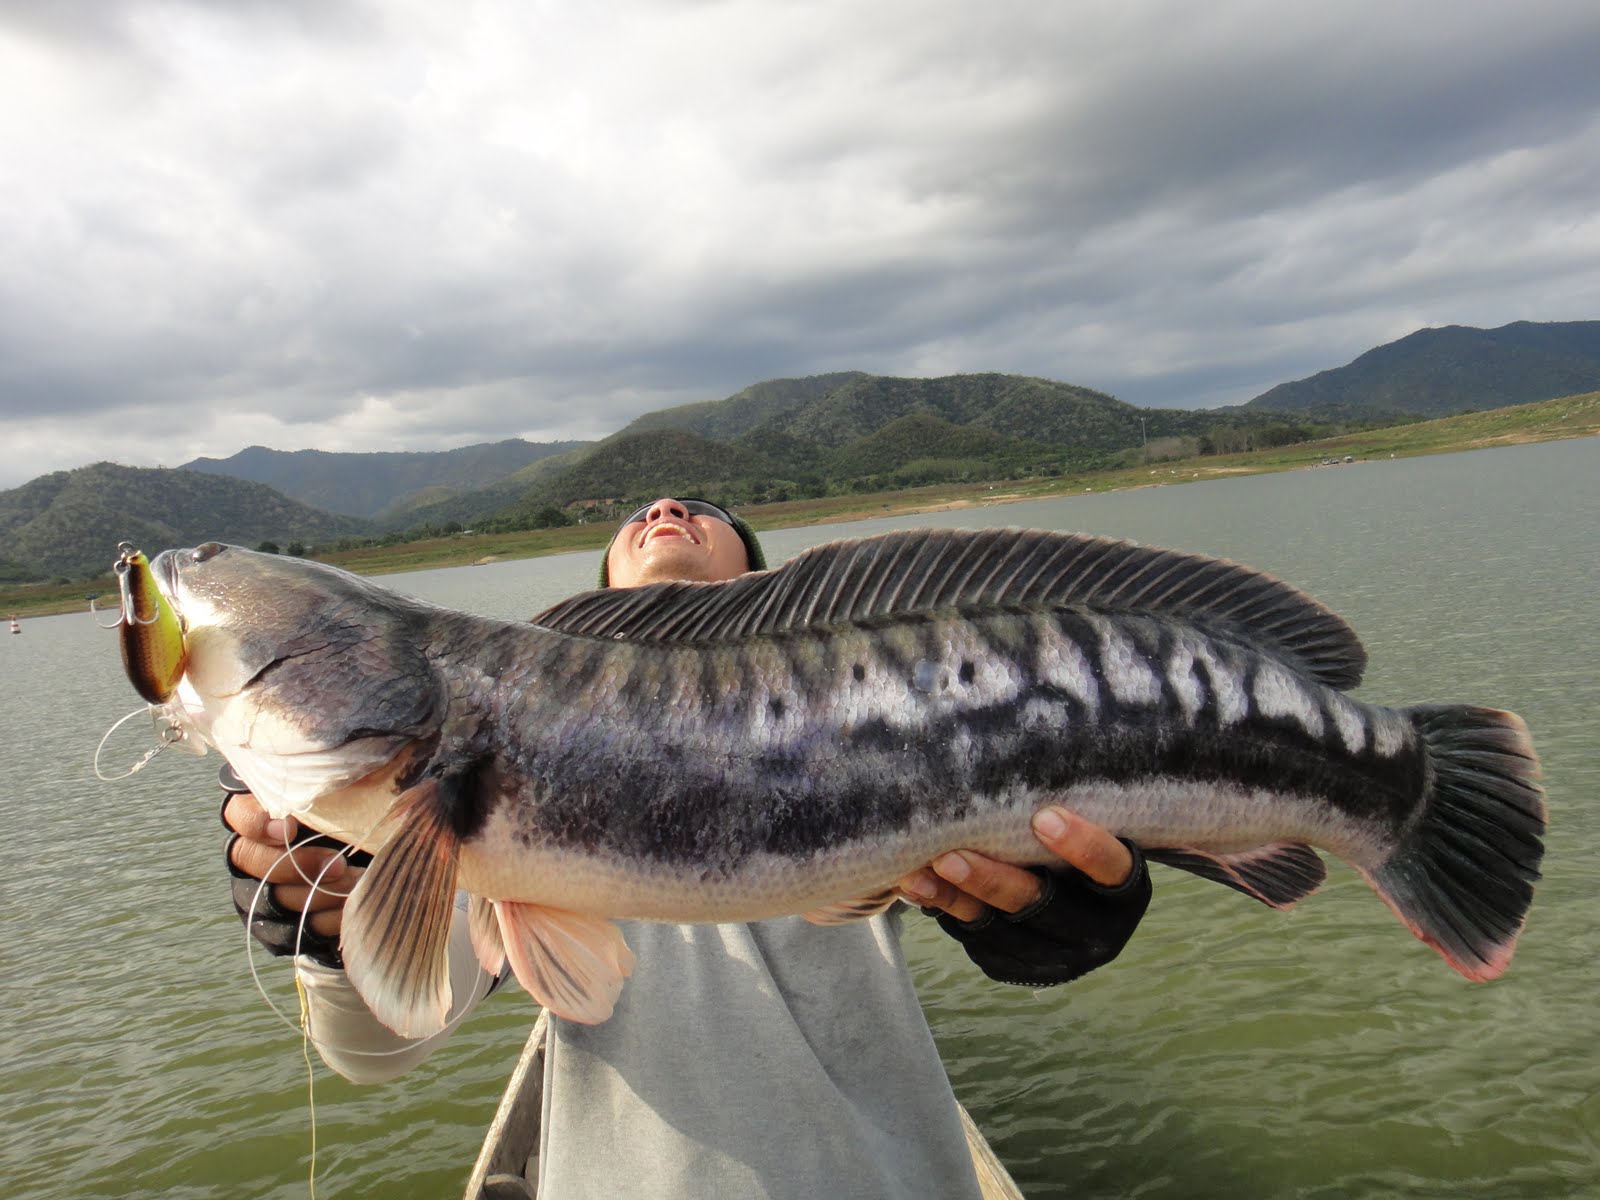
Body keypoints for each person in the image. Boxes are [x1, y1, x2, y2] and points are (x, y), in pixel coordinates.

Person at [222, 497, 1152, 1199]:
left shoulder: (882, 730)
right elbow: (377, 1055)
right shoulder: (488, 791)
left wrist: (1046, 925)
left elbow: (1017, 891)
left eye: (703, 514)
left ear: (775, 596)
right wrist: (317, 920)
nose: (667, 510)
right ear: (581, 629)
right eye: (640, 518)